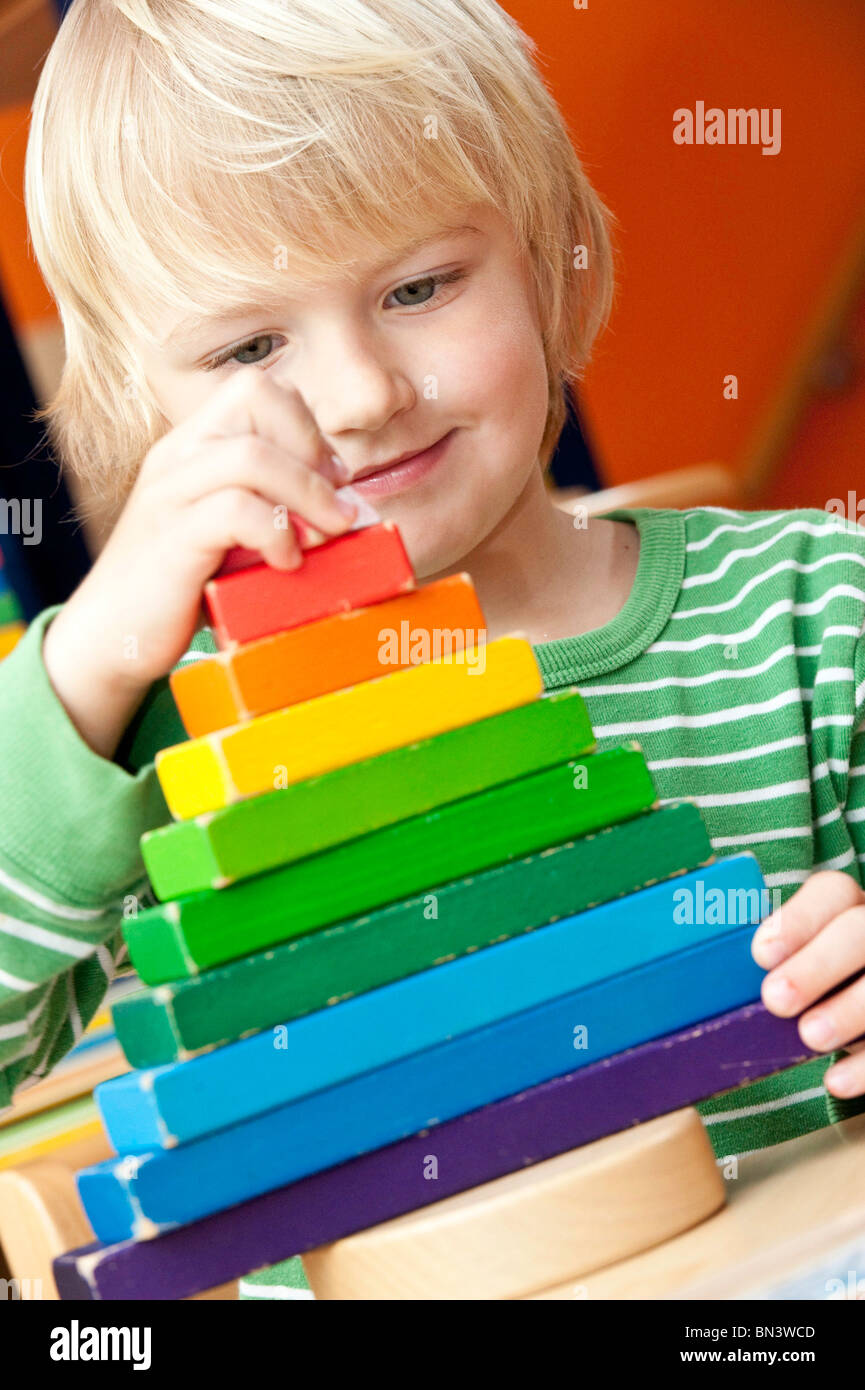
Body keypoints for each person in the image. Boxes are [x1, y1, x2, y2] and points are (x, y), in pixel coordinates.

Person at [4, 0, 865, 1297]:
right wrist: (84, 678)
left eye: (418, 287)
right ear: (147, 411)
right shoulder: (166, 750)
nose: (358, 395)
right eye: (249, 346)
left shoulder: (812, 614)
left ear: (553, 258)